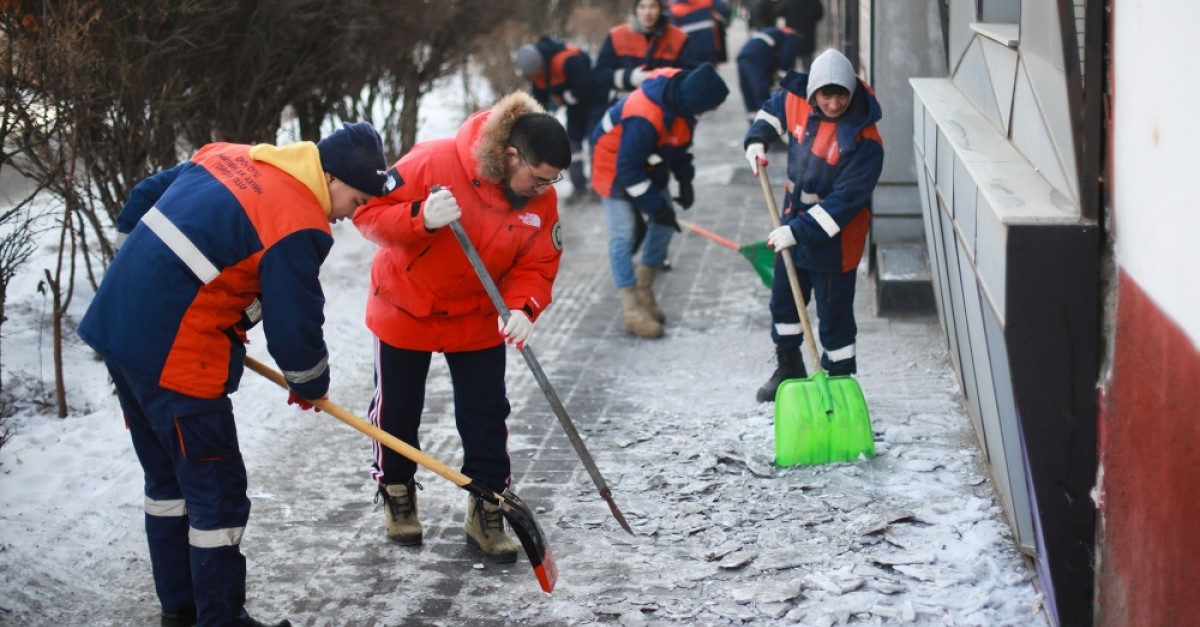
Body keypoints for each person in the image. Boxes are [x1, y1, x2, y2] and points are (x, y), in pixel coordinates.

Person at [77, 122, 389, 627]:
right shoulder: (299, 220)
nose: (351, 215)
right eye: (355, 201)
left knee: (168, 485)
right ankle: (220, 620)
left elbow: (142, 197)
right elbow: (294, 323)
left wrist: (139, 272)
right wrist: (309, 383)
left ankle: (180, 611)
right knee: (216, 498)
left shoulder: (227, 155)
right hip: (178, 358)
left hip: (118, 328)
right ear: (330, 177)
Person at [352, 92, 570, 563]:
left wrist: (524, 308)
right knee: (397, 410)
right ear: (511, 155)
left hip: (477, 314)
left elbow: (538, 263)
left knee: (486, 413)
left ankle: (487, 507)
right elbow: (367, 215)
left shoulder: (541, 198)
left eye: (551, 181)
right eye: (538, 178)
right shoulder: (432, 162)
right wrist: (420, 218)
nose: (542, 189)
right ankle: (397, 491)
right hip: (406, 305)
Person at [743, 48, 883, 402]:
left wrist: (797, 232)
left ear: (851, 91)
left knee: (834, 316)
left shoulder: (865, 140)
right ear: (813, 93)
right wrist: (756, 139)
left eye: (841, 96)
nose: (834, 104)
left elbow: (844, 203)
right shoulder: (796, 100)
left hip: (836, 241)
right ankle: (788, 367)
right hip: (792, 222)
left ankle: (839, 383)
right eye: (826, 96)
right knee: (785, 300)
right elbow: (771, 112)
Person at [590, 63, 729, 338]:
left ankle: (645, 288)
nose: (708, 114)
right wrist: (656, 206)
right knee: (623, 235)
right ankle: (632, 308)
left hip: (646, 162)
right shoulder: (645, 116)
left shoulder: (684, 101)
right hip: (613, 164)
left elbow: (679, 143)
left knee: (665, 224)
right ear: (697, 102)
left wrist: (685, 179)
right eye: (708, 108)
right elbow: (628, 170)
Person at [515, 36, 608, 205]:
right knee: (572, 143)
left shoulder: (568, 60)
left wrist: (562, 100)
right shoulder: (536, 74)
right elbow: (539, 99)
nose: (537, 75)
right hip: (575, 106)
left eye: (538, 71)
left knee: (595, 141)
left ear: (541, 63)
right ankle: (579, 187)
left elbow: (585, 85)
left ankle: (598, 186)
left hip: (595, 100)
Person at [594, 0, 700, 106]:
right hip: (623, 107)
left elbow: (690, 76)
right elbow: (600, 74)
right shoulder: (616, 36)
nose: (647, 12)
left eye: (653, 6)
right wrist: (629, 78)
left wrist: (662, 82)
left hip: (664, 108)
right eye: (642, 7)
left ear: (661, 9)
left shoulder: (679, 38)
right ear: (635, 10)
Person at [736, 24, 802, 123]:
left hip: (743, 57)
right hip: (757, 61)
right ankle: (767, 126)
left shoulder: (771, 32)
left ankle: (754, 126)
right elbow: (786, 58)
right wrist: (783, 81)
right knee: (761, 94)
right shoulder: (792, 36)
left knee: (750, 95)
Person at [667, 0, 733, 66]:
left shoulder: (676, 8)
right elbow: (724, 9)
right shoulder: (707, 1)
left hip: (690, 50)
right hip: (709, 46)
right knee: (710, 69)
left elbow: (674, 31)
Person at [779, 0, 824, 70]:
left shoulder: (788, 2)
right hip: (808, 37)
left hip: (792, 38)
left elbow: (778, 11)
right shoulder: (814, 2)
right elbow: (819, 14)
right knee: (808, 67)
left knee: (791, 67)